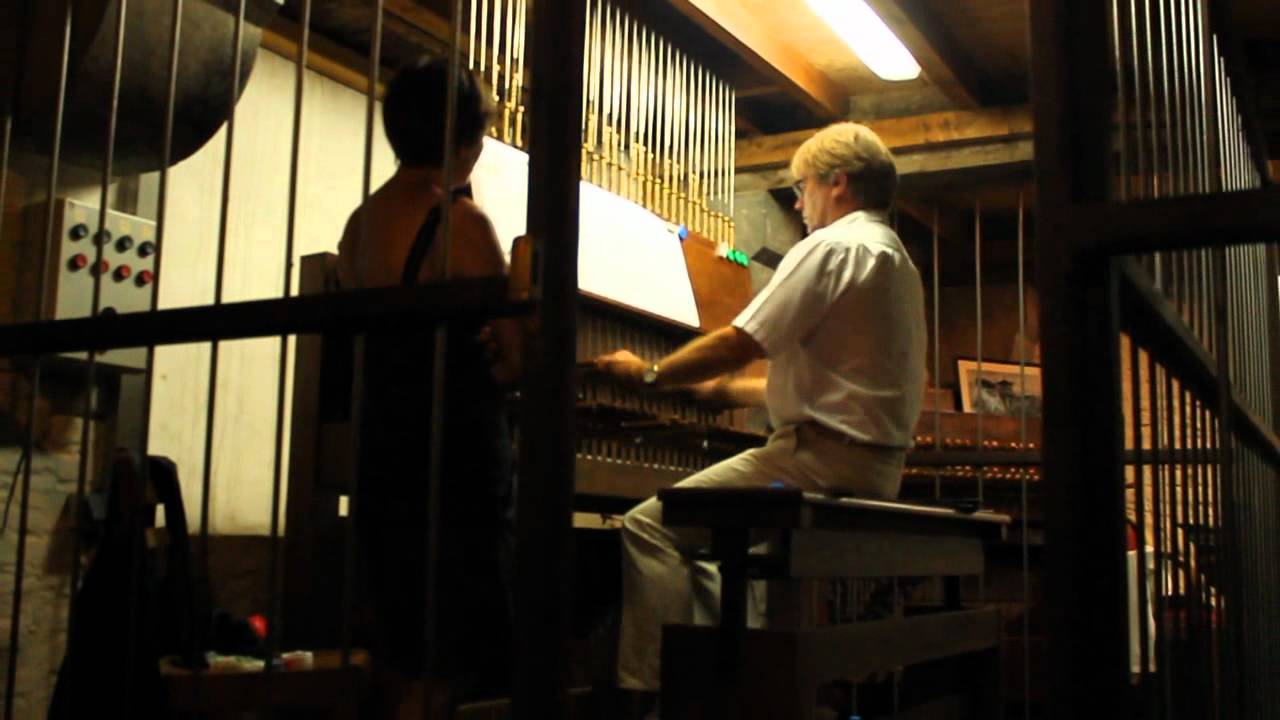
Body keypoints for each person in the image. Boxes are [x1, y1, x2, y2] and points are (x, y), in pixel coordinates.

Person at [594, 121, 927, 705]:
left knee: (651, 526)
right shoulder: (895, 259)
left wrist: (650, 375)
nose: (798, 204)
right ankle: (736, 688)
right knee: (715, 548)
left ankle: (656, 696)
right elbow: (836, 378)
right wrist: (724, 395)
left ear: (838, 183)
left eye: (801, 188)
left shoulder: (831, 246)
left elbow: (738, 340)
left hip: (819, 462)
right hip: (871, 466)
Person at [337, 57, 518, 719]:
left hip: (383, 450)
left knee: (402, 641)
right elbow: (516, 359)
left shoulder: (359, 226)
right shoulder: (461, 225)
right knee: (450, 651)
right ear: (464, 142)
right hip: (453, 459)